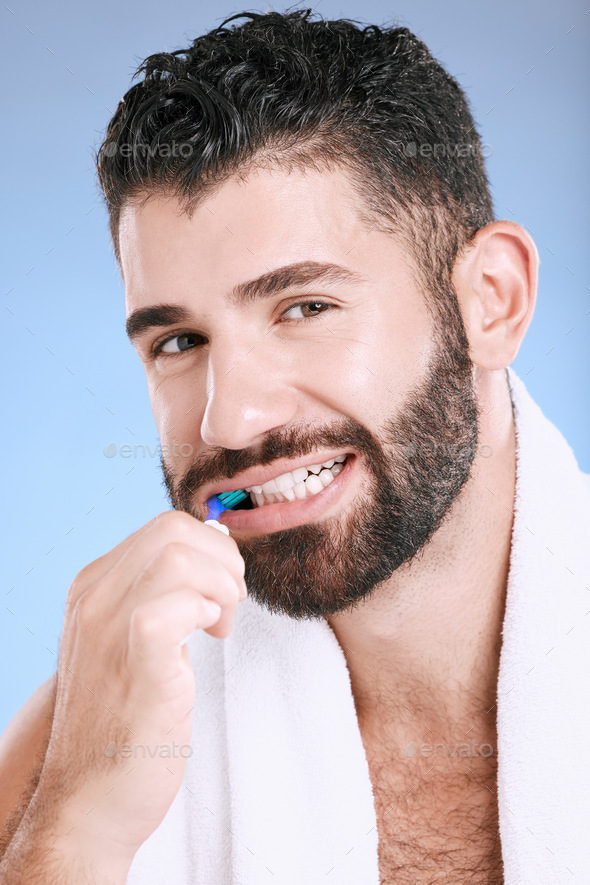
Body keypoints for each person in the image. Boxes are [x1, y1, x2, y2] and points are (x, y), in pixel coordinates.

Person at [1, 9, 588, 884]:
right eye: (178, 342)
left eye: (304, 308)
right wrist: (79, 831)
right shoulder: (83, 738)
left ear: (491, 302)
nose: (229, 423)